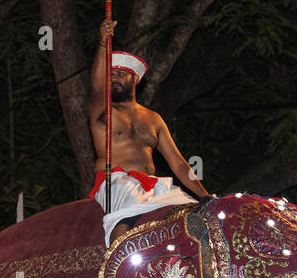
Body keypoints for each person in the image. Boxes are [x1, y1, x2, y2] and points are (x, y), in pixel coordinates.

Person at [90, 18, 211, 244]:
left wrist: (204, 196)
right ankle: (116, 268)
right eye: (110, 74)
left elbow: (178, 163)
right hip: (116, 181)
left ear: (135, 79)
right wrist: (103, 44)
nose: (113, 77)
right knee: (130, 206)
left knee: (189, 209)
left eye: (120, 74)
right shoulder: (103, 111)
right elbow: (96, 86)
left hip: (154, 185)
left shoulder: (153, 119)